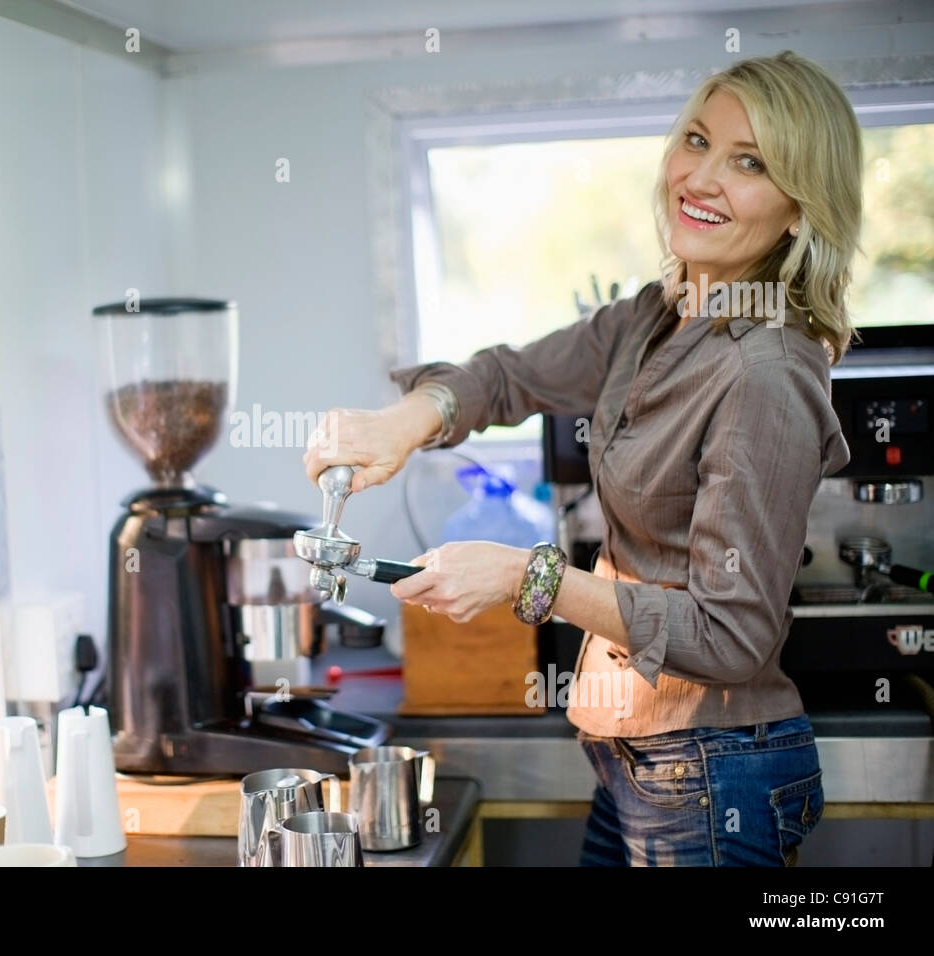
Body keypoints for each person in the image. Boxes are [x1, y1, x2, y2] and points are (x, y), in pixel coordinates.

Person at [304, 51, 857, 866]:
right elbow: (510, 376)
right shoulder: (655, 317)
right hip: (634, 757)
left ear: (799, 210)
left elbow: (730, 635)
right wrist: (405, 423)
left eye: (750, 163)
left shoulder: (764, 374)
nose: (700, 177)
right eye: (697, 140)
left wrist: (528, 578)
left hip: (711, 777)